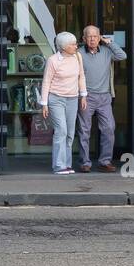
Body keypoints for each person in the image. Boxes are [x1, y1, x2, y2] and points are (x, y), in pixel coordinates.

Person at [76, 24, 126, 172]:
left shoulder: (107, 51)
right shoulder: (78, 53)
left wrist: (109, 42)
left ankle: (105, 161)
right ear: (84, 38)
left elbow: (123, 56)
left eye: (95, 36)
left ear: (99, 37)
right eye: (89, 36)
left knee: (109, 128)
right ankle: (85, 162)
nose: (92, 39)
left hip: (104, 97)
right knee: (84, 130)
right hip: (86, 96)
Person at [42, 31, 86, 175]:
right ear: (63, 47)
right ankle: (58, 166)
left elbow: (81, 77)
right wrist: (44, 103)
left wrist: (83, 95)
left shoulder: (77, 57)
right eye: (72, 44)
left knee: (70, 134)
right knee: (61, 130)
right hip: (56, 99)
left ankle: (67, 164)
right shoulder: (53, 60)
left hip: (73, 98)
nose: (76, 46)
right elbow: (46, 81)